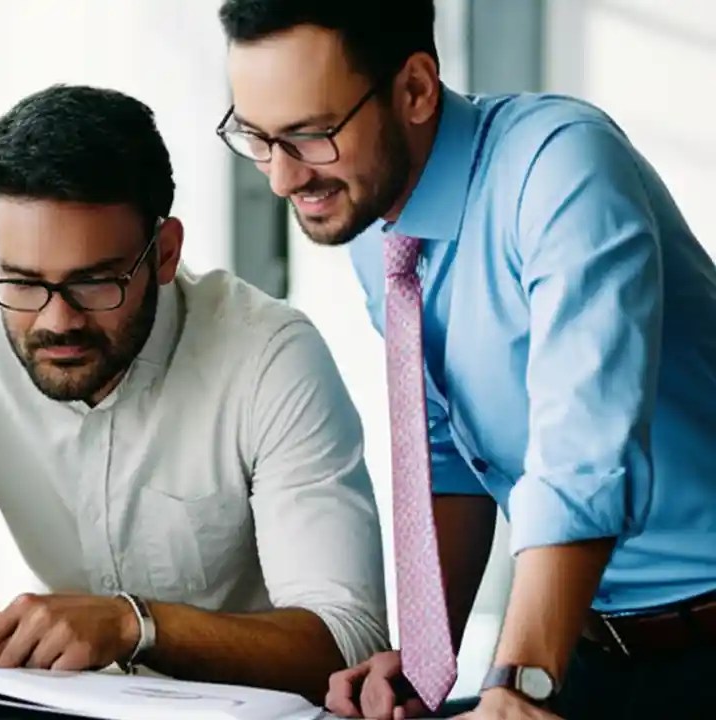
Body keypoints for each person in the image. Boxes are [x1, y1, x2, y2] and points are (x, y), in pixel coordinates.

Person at [216, 1, 716, 719]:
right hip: (585, 645)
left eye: (311, 135)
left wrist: (518, 683)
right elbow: (449, 453)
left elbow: (582, 455)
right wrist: (425, 666)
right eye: (257, 138)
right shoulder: (375, 223)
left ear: (415, 88)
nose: (282, 179)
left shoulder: (562, 165)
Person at [0, 84, 387, 703]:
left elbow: (348, 639)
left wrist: (133, 624)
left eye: (94, 283)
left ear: (164, 254)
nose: (56, 320)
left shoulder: (270, 357)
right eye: (22, 280)